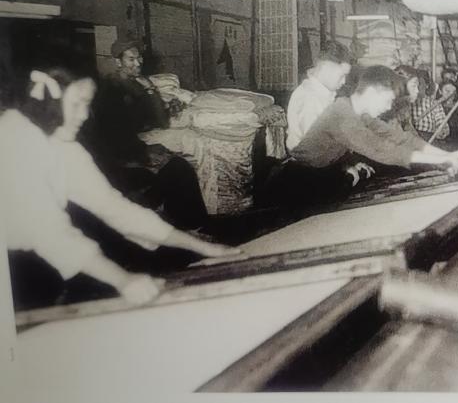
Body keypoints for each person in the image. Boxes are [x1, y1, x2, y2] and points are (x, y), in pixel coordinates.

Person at [0, 69, 240, 308]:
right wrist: (123, 280)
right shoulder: (15, 139)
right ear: (46, 99)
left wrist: (204, 248)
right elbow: (48, 233)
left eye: (87, 104)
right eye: (77, 103)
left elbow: (115, 209)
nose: (84, 115)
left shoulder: (63, 145)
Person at [259, 65, 458, 212]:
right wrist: (443, 161)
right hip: (295, 184)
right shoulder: (343, 115)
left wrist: (448, 155)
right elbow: (383, 150)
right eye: (388, 100)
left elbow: (403, 139)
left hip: (318, 176)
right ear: (373, 91)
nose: (389, 107)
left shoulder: (359, 114)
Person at [84, 39, 209, 230]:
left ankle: (188, 224)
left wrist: (150, 89)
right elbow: (113, 134)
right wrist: (144, 154)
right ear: (118, 62)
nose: (138, 63)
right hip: (117, 158)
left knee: (180, 164)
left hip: (130, 147)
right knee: (179, 167)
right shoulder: (109, 89)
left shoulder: (136, 85)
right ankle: (192, 226)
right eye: (131, 59)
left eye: (139, 57)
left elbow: (160, 121)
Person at [285, 40, 352, 150]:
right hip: (309, 161)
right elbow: (315, 146)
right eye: (342, 75)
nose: (344, 81)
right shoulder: (310, 98)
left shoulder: (322, 93)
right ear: (326, 68)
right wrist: (345, 165)